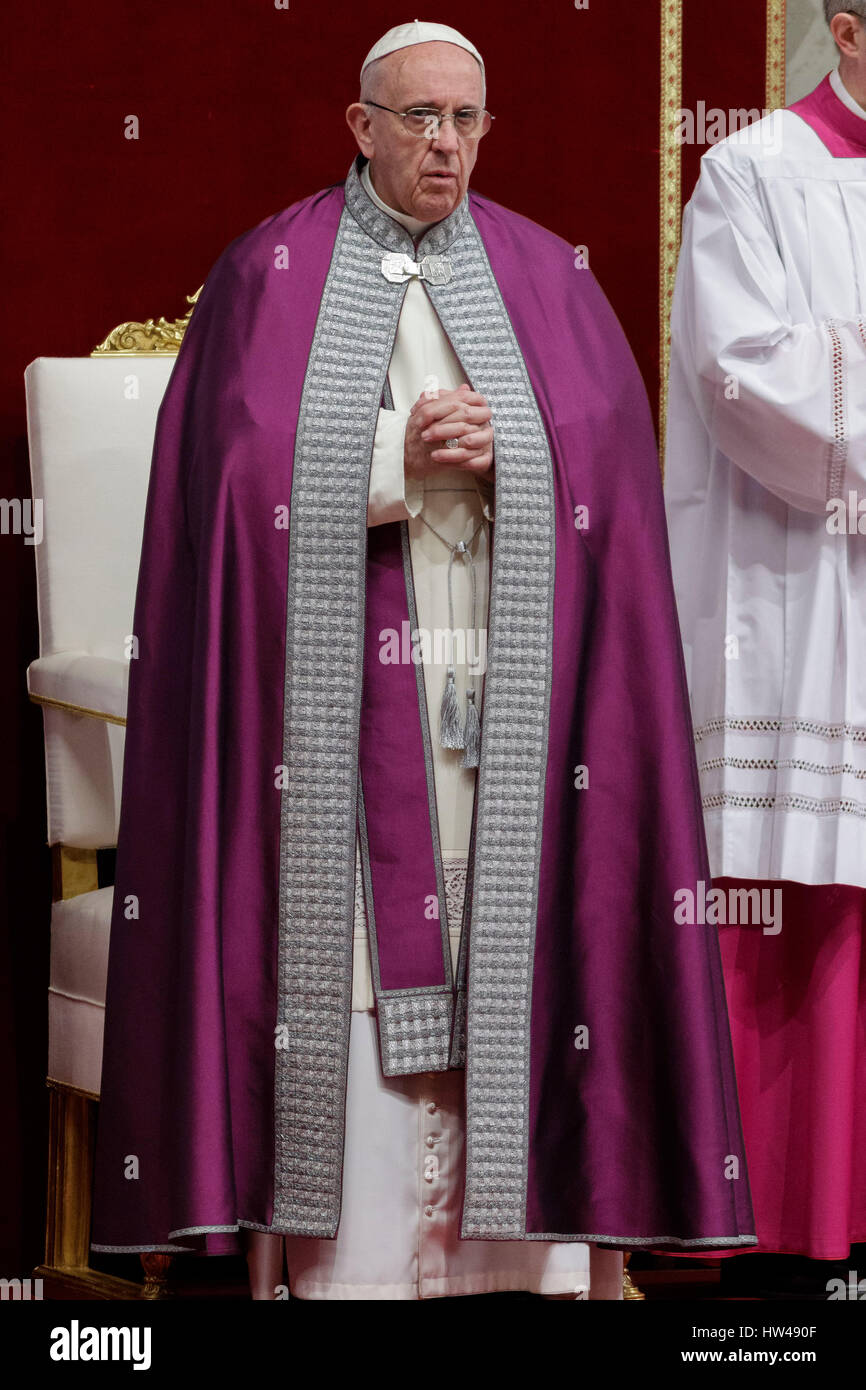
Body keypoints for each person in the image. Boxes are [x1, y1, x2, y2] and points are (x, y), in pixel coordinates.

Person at [90, 21, 756, 1300]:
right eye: (417, 120)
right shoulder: (269, 273)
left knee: (514, 951)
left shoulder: (543, 274)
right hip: (332, 726)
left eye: (465, 122)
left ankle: (528, 1267)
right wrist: (395, 458)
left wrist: (529, 453)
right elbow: (229, 489)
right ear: (360, 125)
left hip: (505, 708)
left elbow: (613, 468)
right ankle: (357, 1269)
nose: (444, 145)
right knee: (353, 975)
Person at [663, 2, 866, 1262]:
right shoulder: (752, 172)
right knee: (798, 893)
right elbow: (745, 372)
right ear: (844, 28)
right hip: (802, 589)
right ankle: (778, 1214)